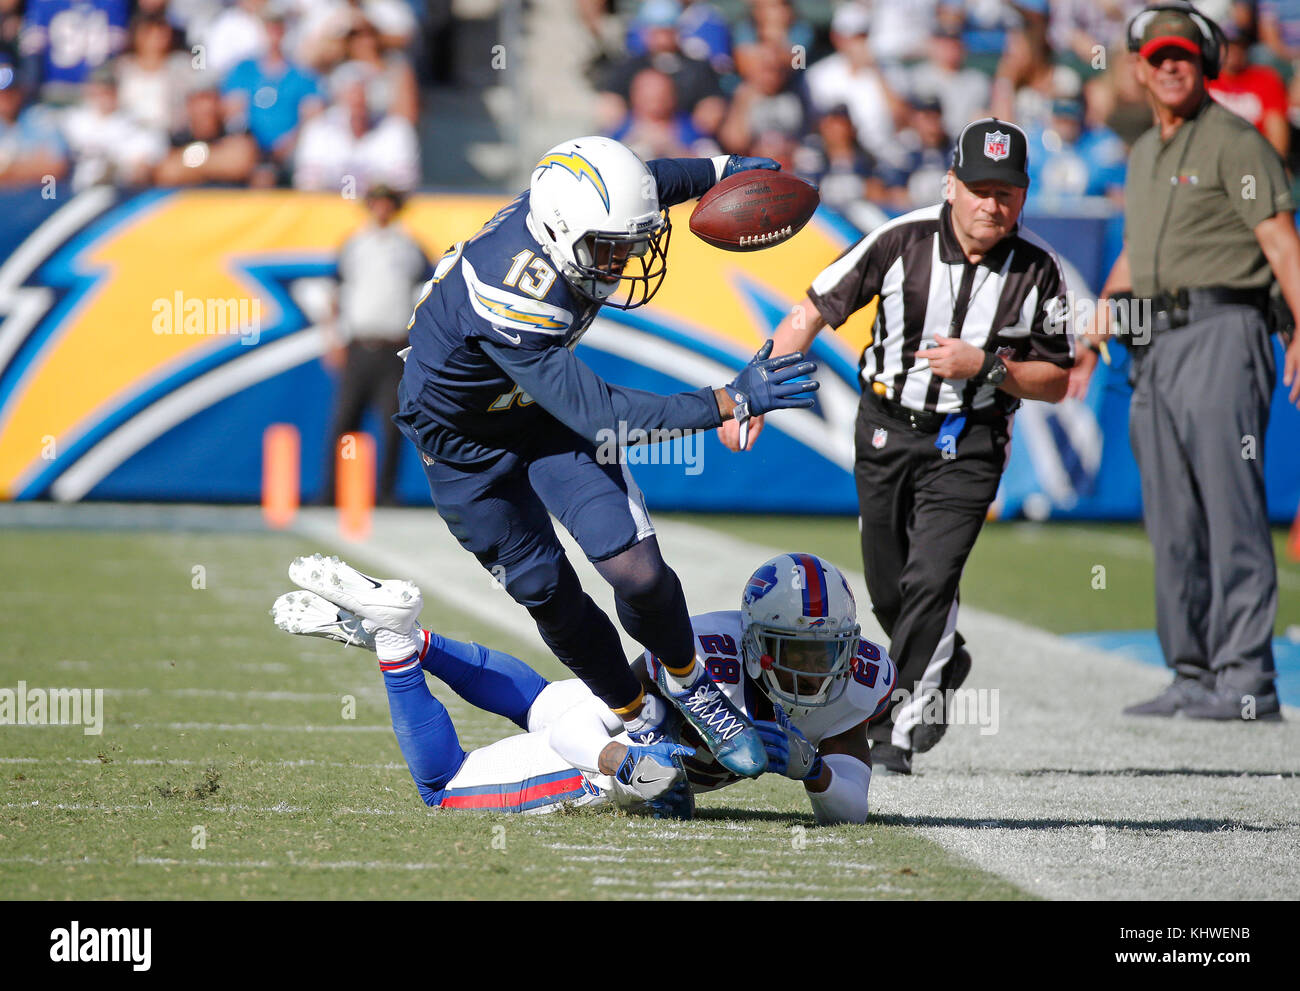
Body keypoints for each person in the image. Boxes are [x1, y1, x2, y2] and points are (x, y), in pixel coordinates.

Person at [392, 136, 820, 782]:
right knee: (547, 590)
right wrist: (726, 401)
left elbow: (646, 180)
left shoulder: (573, 213)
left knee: (639, 571)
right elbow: (608, 418)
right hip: (462, 445)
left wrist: (719, 170)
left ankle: (689, 680)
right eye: (609, 248)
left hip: (535, 412)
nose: (622, 260)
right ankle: (636, 710)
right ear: (562, 237)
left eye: (629, 242)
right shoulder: (519, 293)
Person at [722, 118, 1074, 774]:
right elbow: (811, 312)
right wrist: (754, 392)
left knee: (930, 579)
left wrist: (989, 368)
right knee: (889, 588)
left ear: (1023, 198)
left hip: (969, 438)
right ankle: (946, 658)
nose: (991, 203)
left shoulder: (1036, 272)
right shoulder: (900, 239)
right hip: (885, 426)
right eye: (979, 187)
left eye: (1006, 191)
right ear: (951, 184)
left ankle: (894, 733)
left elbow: (1056, 379)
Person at [272, 551, 891, 823]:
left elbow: (853, 806)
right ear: (754, 644)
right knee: (442, 788)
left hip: (604, 734)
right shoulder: (701, 658)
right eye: (795, 652)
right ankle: (395, 644)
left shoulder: (857, 682)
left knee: (540, 697)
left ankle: (406, 633)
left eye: (825, 652)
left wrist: (816, 772)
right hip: (603, 762)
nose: (813, 671)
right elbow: (590, 721)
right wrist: (623, 765)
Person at [1074, 2, 1300, 721]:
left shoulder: (1235, 142)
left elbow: (1282, 244)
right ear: (1139, 70)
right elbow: (1138, 253)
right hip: (1154, 341)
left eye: (1184, 57)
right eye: (1158, 57)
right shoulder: (1144, 153)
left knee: (1229, 506)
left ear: (1202, 66)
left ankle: (1247, 678)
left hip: (1224, 330)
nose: (1171, 67)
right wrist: (1091, 330)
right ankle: (1192, 671)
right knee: (1171, 514)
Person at [319, 184, 429, 506]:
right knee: (344, 421)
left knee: (392, 423)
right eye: (376, 203)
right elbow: (335, 294)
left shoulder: (409, 246)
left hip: (394, 346)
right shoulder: (354, 244)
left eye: (387, 203)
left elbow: (424, 294)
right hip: (359, 344)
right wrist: (333, 339)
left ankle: (386, 492)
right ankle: (332, 491)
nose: (381, 209)